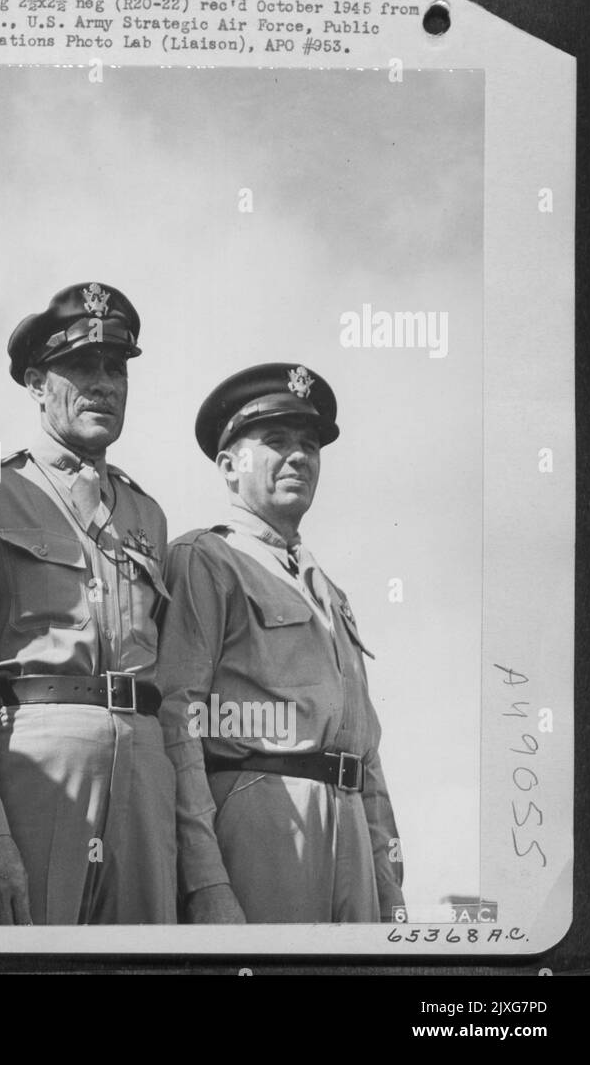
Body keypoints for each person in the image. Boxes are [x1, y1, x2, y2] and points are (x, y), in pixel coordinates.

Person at [0, 282, 189, 925]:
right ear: (37, 382)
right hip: (35, 769)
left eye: (116, 367)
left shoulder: (147, 511)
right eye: (83, 367)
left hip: (144, 775)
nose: (105, 384)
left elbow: (174, 686)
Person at [159, 362, 405, 923]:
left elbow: (366, 756)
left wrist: (390, 889)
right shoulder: (207, 559)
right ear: (228, 466)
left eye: (309, 444)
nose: (298, 456)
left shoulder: (330, 592)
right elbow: (179, 722)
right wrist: (204, 880)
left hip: (351, 834)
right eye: (275, 441)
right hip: (261, 817)